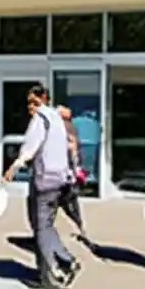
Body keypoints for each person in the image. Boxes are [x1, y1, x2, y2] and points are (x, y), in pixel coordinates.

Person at [5, 85, 80, 289]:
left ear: (44, 99)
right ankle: (57, 265)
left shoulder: (41, 119)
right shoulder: (57, 118)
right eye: (28, 103)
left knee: (41, 228)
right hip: (60, 180)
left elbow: (30, 148)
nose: (31, 107)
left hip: (45, 181)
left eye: (34, 101)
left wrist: (13, 168)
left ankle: (60, 267)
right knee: (46, 225)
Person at [54, 104, 90, 248]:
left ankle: (44, 234)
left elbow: (73, 150)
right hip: (68, 176)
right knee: (70, 206)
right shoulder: (71, 127)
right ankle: (81, 228)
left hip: (64, 176)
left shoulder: (62, 128)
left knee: (60, 205)